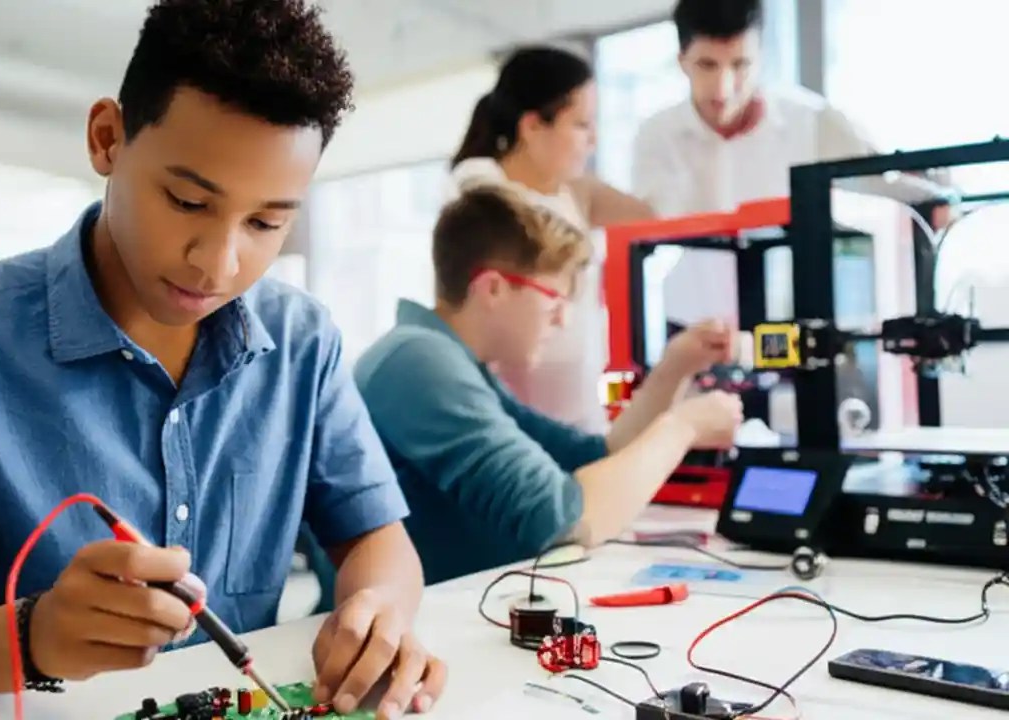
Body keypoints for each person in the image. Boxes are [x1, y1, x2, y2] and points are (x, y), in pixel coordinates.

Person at [0, 2, 445, 719]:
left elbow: (377, 537)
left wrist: (380, 613)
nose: (220, 262)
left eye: (267, 222)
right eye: (185, 200)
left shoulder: (303, 341)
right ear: (107, 138)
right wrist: (29, 638)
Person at [354, 186, 743, 584]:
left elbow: (594, 457)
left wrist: (675, 367)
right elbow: (561, 520)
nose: (563, 321)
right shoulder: (418, 362)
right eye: (554, 299)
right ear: (493, 288)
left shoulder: (451, 360)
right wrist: (684, 427)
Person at [631, 0, 940, 330]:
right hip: (689, 329)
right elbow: (646, 230)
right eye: (707, 65)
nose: (724, 87)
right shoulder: (655, 137)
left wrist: (936, 198)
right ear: (682, 61)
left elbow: (889, 187)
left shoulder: (816, 122)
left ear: (761, 56)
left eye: (740, 65)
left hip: (789, 326)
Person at [450, 46, 654, 433]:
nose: (592, 140)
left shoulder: (573, 193)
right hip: (510, 420)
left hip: (581, 414)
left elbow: (658, 221)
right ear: (531, 127)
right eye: (580, 125)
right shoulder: (478, 184)